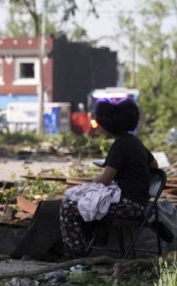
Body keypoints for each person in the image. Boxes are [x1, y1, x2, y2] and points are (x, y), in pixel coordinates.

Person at [59, 99, 157, 258]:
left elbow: (105, 179)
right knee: (89, 204)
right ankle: (88, 246)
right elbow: (155, 165)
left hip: (130, 206)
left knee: (69, 207)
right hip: (141, 203)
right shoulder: (135, 142)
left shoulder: (120, 146)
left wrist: (89, 184)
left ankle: (75, 254)